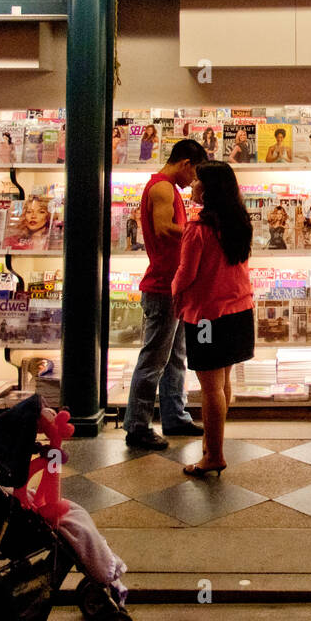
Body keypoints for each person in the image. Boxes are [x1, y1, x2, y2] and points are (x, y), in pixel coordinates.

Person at [122, 138, 209, 449]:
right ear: (185, 164)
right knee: (154, 359)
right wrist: (200, 230)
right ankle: (136, 425)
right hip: (162, 286)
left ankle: (174, 416)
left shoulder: (168, 189)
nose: (194, 181)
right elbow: (162, 228)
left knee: (175, 358)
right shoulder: (161, 188)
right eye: (195, 173)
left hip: (173, 286)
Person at [171, 160, 255, 477]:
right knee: (223, 383)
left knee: (209, 388)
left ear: (208, 189)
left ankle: (214, 454)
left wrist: (174, 291)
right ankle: (212, 444)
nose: (192, 186)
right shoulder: (238, 223)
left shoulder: (198, 231)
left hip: (207, 316)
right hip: (239, 311)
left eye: (196, 182)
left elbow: (186, 274)